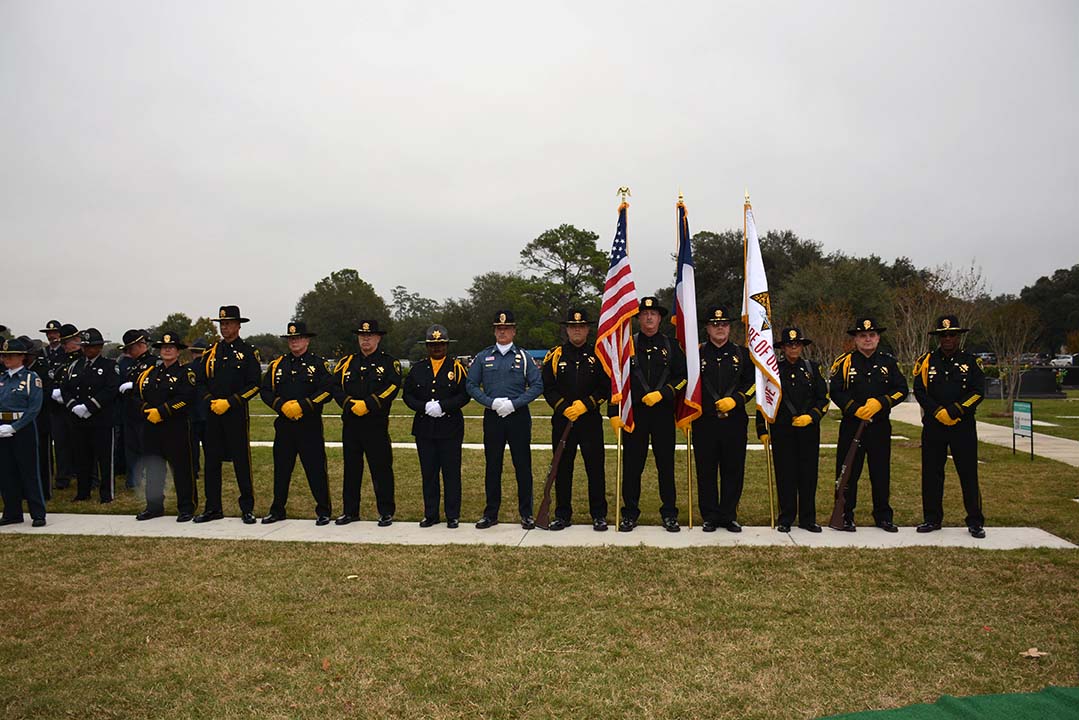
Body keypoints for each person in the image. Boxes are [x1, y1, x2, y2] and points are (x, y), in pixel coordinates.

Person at [609, 297, 687, 532]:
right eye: (644, 314)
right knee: (632, 467)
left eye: (653, 313)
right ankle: (630, 513)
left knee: (666, 466)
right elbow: (616, 380)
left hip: (663, 413)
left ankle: (669, 513)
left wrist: (664, 393)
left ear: (660, 318)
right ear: (638, 318)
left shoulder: (672, 346)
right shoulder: (627, 346)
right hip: (636, 415)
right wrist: (613, 413)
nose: (649, 317)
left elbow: (683, 378)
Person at [829, 317, 908, 532]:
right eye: (862, 335)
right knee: (848, 472)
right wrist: (854, 408)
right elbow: (835, 391)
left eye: (872, 335)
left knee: (880, 472)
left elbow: (902, 389)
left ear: (878, 338)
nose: (867, 339)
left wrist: (882, 402)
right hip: (852, 426)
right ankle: (845, 515)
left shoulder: (888, 363)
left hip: (879, 426)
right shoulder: (844, 362)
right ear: (855, 339)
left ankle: (883, 516)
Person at [466, 310, 543, 529]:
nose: (502, 332)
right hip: (493, 416)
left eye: (507, 328)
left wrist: (515, 403)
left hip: (518, 416)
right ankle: (491, 513)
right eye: (499, 328)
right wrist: (489, 402)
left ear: (514, 331)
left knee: (522, 465)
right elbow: (471, 384)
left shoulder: (524, 357)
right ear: (494, 331)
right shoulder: (483, 357)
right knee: (493, 465)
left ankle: (526, 513)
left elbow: (537, 385)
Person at [912, 315, 986, 538]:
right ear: (938, 337)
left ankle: (975, 521)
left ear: (958, 337)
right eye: (943, 335)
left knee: (968, 473)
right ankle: (932, 518)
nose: (947, 339)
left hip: (962, 426)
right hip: (934, 426)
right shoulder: (926, 361)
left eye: (951, 334)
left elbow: (978, 392)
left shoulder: (971, 362)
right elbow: (919, 391)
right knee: (931, 474)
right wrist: (937, 411)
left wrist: (956, 410)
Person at [540, 308, 610, 531]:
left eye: (581, 326)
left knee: (595, 469)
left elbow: (606, 387)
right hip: (563, 421)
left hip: (590, 421)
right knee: (562, 469)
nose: (577, 330)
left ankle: (598, 514)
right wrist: (563, 407)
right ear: (567, 330)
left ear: (588, 329)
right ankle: (562, 515)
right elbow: (548, 388)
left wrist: (586, 404)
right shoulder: (555, 355)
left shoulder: (599, 355)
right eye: (573, 327)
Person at [756, 327, 830, 533]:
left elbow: (823, 399)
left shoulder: (812, 368)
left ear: (802, 346)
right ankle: (786, 517)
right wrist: (762, 429)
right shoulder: (773, 370)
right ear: (783, 348)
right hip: (782, 431)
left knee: (808, 475)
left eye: (797, 344)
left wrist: (812, 416)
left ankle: (808, 519)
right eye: (789, 345)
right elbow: (764, 400)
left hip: (808, 431)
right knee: (785, 475)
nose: (794, 348)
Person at [260, 321, 334, 525]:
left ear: (307, 340)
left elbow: (328, 391)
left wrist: (304, 405)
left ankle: (324, 510)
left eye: (298, 338)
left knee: (316, 469)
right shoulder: (278, 365)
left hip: (309, 425)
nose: (294, 342)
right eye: (291, 338)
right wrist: (280, 405)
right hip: (284, 426)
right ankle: (277, 510)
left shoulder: (318, 364)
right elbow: (265, 391)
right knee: (281, 470)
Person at [193, 306, 262, 524]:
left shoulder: (248, 352)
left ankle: (247, 508)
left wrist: (231, 402)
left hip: (236, 413)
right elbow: (200, 382)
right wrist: (209, 401)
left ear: (238, 326)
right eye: (222, 324)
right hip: (213, 413)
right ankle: (213, 507)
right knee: (212, 461)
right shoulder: (211, 352)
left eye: (229, 323)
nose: (224, 327)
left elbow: (255, 385)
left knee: (241, 461)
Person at [331, 319, 401, 527]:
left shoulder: (389, 363)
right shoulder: (346, 363)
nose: (366, 340)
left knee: (381, 469)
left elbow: (392, 387)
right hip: (351, 424)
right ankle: (350, 511)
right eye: (362, 336)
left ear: (378, 338)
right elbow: (334, 387)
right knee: (351, 470)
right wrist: (348, 403)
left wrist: (369, 404)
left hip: (375, 424)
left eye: (370, 336)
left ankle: (386, 511)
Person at [693, 305, 755, 533]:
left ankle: (729, 515)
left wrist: (736, 400)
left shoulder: (743, 354)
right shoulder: (696, 354)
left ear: (729, 327)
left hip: (734, 421)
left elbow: (752, 384)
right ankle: (709, 516)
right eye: (715, 324)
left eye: (724, 324)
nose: (720, 328)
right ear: (707, 328)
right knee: (706, 470)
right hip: (705, 422)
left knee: (733, 470)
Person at [402, 325, 471, 528]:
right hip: (425, 428)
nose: (437, 348)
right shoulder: (418, 369)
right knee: (429, 473)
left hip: (450, 428)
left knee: (451, 473)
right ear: (427, 346)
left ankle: (452, 514)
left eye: (441, 344)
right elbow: (407, 395)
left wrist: (443, 406)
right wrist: (423, 407)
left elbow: (464, 395)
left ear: (447, 345)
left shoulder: (457, 368)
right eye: (433, 345)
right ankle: (430, 514)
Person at [134, 331, 197, 522]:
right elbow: (136, 396)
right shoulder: (149, 374)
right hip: (152, 427)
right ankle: (154, 507)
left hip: (175, 428)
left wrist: (162, 411)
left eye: (171, 347)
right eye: (164, 347)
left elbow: (186, 398)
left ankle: (186, 507)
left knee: (182, 469)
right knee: (154, 469)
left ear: (178, 351)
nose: (167, 350)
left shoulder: (185, 373)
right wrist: (147, 411)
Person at [61, 328, 118, 503]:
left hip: (101, 419)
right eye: (85, 346)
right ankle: (83, 492)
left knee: (104, 459)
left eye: (91, 346)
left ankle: (106, 494)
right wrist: (73, 406)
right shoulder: (74, 365)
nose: (87, 350)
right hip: (78, 419)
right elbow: (65, 388)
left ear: (99, 347)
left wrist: (89, 406)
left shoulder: (109, 365)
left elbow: (111, 389)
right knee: (81, 458)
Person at [0, 337, 47, 527]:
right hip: (2, 428)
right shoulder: (2, 378)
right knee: (6, 472)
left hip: (22, 428)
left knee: (29, 471)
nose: (6, 359)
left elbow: (34, 408)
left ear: (22, 357)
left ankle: (38, 513)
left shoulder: (31, 378)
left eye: (10, 356)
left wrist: (15, 427)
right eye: (4, 356)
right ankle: (12, 512)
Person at [117, 329, 156, 489]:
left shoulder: (154, 362)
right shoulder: (130, 364)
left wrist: (135, 385)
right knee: (131, 448)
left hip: (144, 411)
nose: (129, 352)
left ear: (141, 345)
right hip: (129, 411)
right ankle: (133, 480)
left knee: (146, 448)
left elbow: (155, 383)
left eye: (131, 348)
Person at [43, 321, 80, 489]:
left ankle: (86, 476)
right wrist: (53, 391)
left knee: (80, 444)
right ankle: (62, 478)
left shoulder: (81, 358)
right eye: (63, 342)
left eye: (67, 342)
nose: (65, 346)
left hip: (75, 407)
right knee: (60, 443)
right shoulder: (54, 357)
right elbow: (49, 377)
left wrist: (66, 395)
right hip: (57, 408)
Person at [21, 337, 53, 501]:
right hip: (21, 421)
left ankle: (45, 491)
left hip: (40, 419)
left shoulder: (42, 369)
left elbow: (46, 393)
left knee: (42, 459)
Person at [185, 338, 209, 484]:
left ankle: (194, 469)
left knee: (192, 444)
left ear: (192, 353)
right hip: (208, 410)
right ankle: (210, 468)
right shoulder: (210, 369)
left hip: (192, 412)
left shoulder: (187, 369)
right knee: (209, 444)